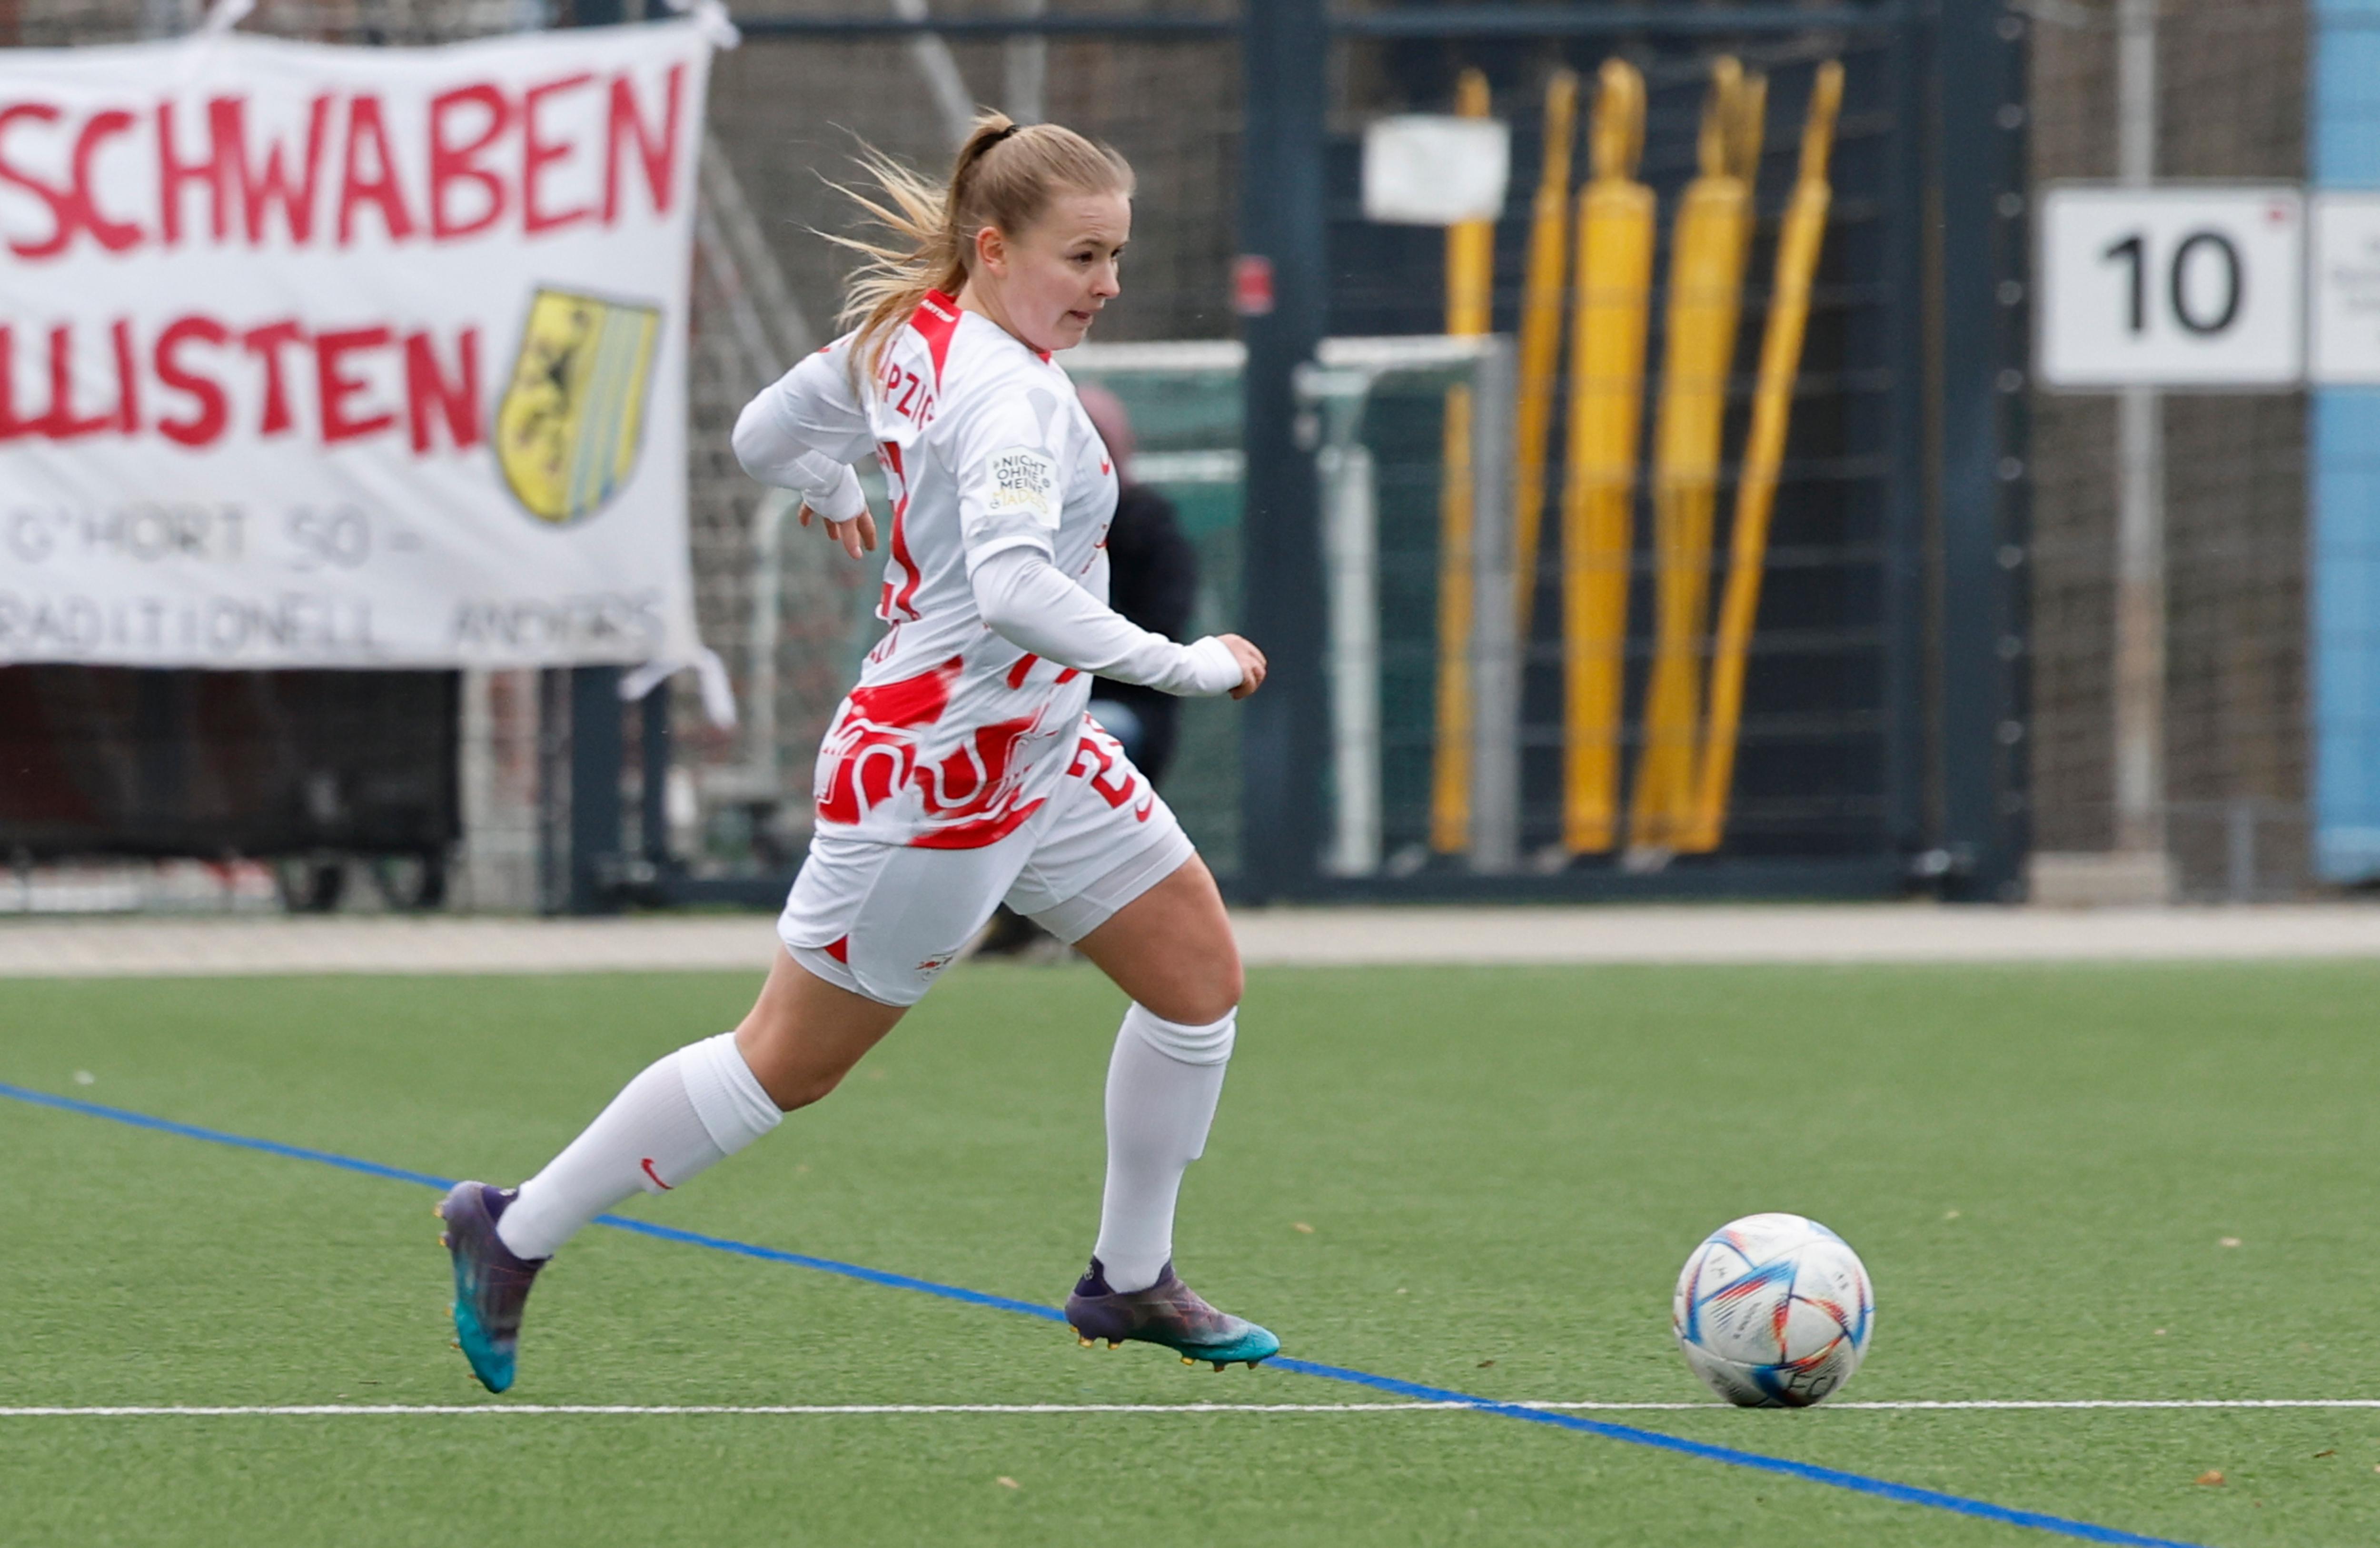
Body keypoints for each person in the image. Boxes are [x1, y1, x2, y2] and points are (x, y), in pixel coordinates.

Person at [436, 112, 1277, 1393]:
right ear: (993, 250)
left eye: (1118, 255)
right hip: (937, 774)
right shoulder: (1008, 398)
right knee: (786, 1060)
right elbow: (1009, 587)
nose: (1108, 284)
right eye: (1085, 257)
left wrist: (832, 485)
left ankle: (1130, 1277)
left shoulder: (914, 333)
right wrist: (1185, 663)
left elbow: (766, 436)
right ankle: (515, 1226)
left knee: (1197, 982)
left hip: (1033, 748)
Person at [975, 385, 1198, 959]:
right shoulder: (1022, 525)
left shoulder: (1151, 528)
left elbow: (1160, 627)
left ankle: (1073, 909)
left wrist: (1077, 652)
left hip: (1119, 704)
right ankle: (998, 904)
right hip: (1025, 697)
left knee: (1082, 734)